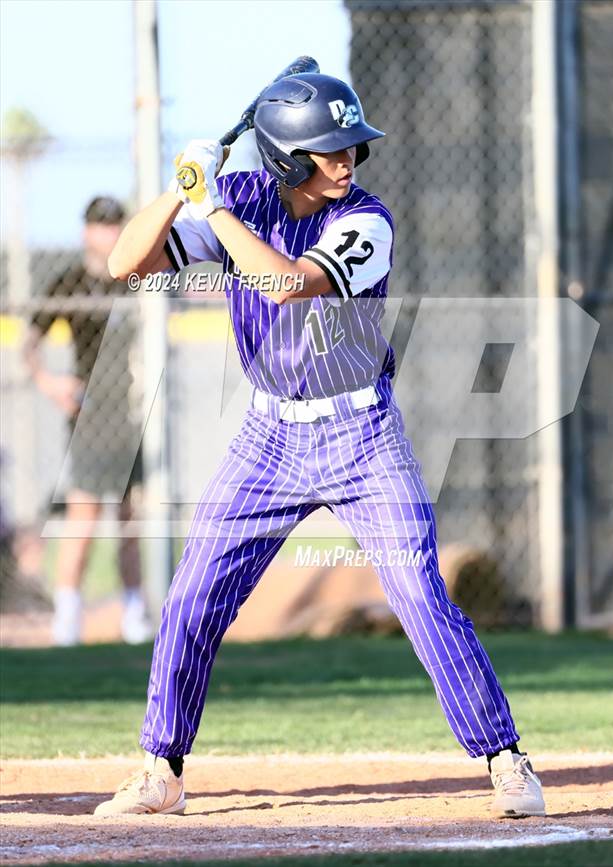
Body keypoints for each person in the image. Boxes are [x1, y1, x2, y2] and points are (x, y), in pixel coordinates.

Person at [94, 74, 545, 818]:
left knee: (419, 593)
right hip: (268, 436)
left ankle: (504, 759)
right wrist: (179, 187)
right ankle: (160, 768)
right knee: (191, 595)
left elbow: (285, 284)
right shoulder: (242, 201)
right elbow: (125, 264)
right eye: (326, 151)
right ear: (283, 161)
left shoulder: (368, 222)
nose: (347, 160)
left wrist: (213, 205)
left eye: (349, 146)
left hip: (362, 435)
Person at [24, 196, 152, 646]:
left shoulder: (136, 278)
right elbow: (30, 341)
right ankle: (68, 617)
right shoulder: (71, 281)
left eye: (115, 224)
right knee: (84, 514)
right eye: (101, 225)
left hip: (131, 412)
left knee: (129, 518)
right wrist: (49, 382)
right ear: (86, 232)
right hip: (90, 414)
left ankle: (136, 614)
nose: (109, 233)